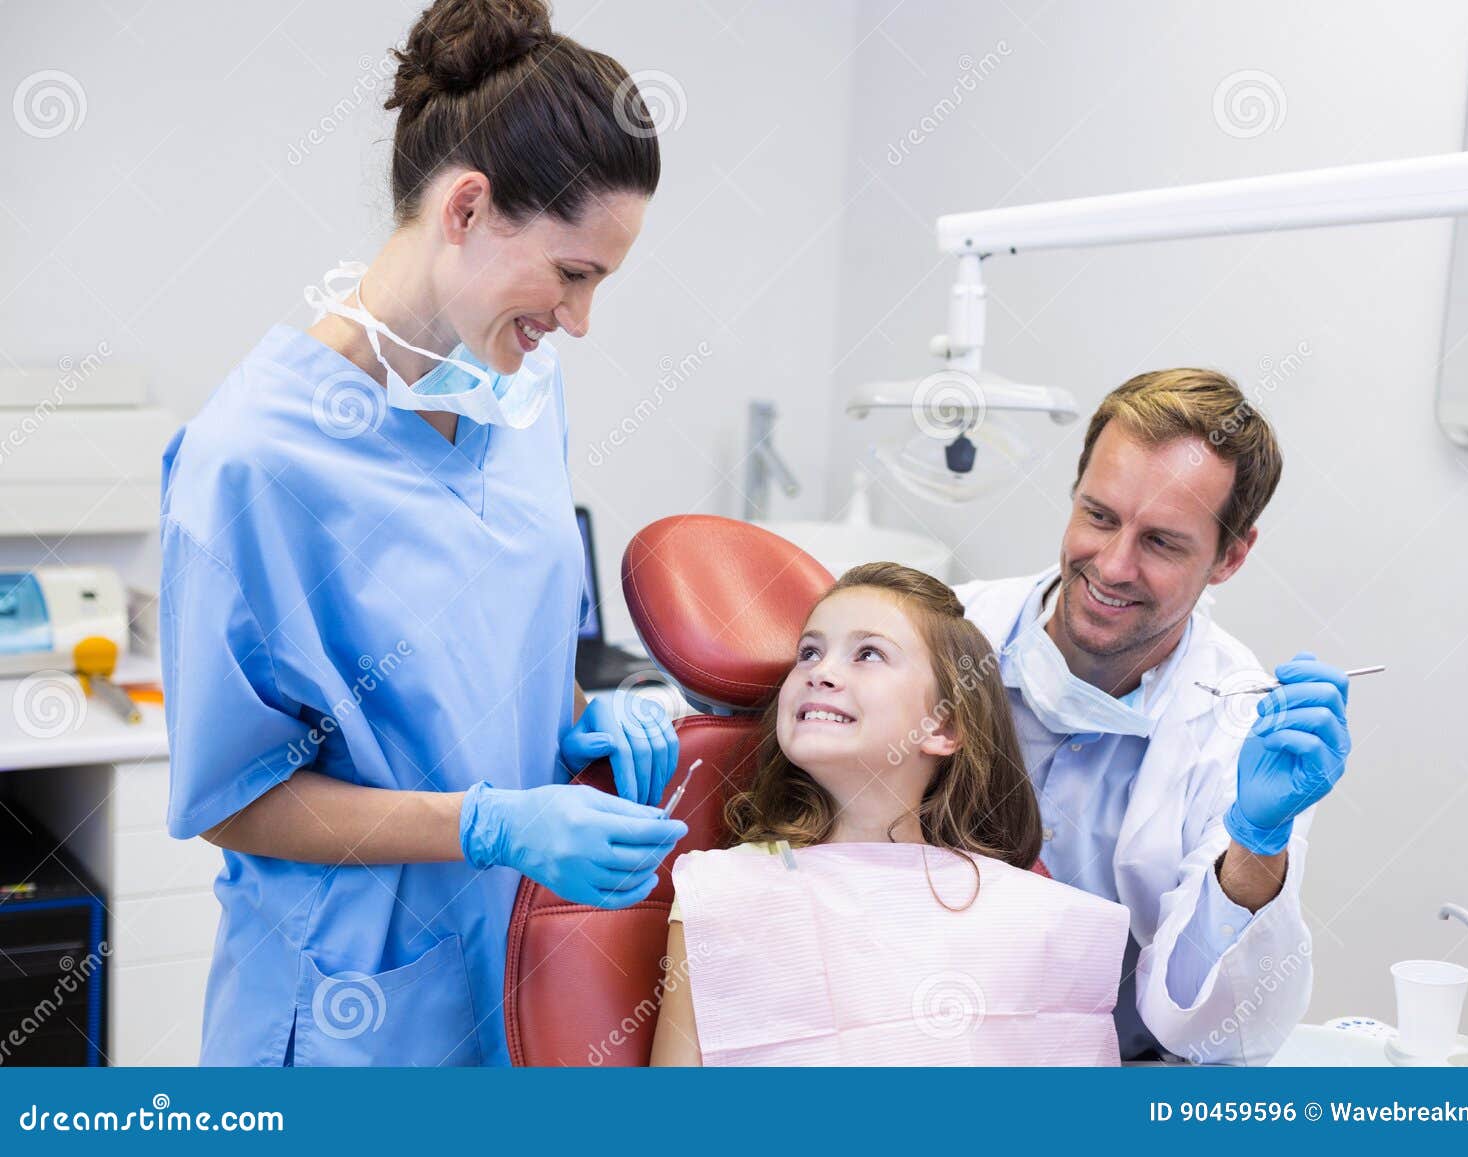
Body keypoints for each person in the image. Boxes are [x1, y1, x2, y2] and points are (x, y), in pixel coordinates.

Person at [159, 0, 685, 1066]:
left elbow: (484, 651)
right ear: (468, 207)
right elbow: (238, 799)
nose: (576, 322)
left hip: (505, 965)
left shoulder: (523, 393)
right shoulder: (256, 459)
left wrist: (581, 714)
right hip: (344, 1001)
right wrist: (487, 822)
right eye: (572, 274)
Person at [957, 368, 1353, 1065]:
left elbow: (1214, 1027)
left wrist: (1257, 844)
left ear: (1231, 555)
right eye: (1099, 516)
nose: (1112, 565)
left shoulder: (1244, 730)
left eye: (1162, 542)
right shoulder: (947, 634)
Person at [650, 563, 1130, 1066]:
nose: (821, 671)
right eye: (809, 652)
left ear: (942, 725)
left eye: (868, 654)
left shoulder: (1032, 913)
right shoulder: (722, 893)